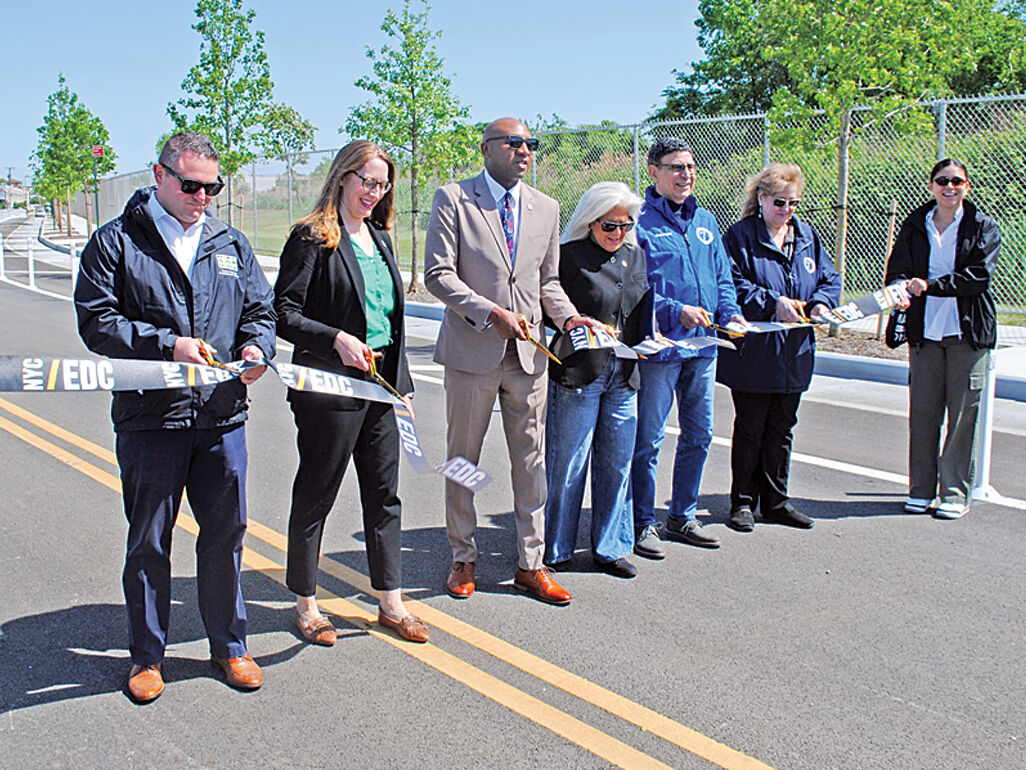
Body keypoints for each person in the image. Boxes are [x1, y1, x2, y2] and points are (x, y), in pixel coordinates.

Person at [74, 131, 275, 702]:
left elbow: (260, 311)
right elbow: (96, 322)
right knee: (150, 543)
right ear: (158, 175)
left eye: (213, 186)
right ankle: (146, 657)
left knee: (225, 537)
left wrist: (259, 350)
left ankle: (230, 647)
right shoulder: (116, 242)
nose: (202, 196)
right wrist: (168, 346)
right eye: (191, 185)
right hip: (150, 421)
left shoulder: (229, 243)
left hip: (221, 418)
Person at [424, 117, 604, 605]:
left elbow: (547, 284)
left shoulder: (545, 208)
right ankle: (463, 556)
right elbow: (438, 275)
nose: (526, 150)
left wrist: (569, 320)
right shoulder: (453, 199)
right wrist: (490, 312)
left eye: (531, 144)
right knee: (464, 461)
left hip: (529, 357)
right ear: (487, 149)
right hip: (471, 351)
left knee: (531, 462)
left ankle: (531, 562)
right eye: (515, 142)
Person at [274, 140, 429, 644]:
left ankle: (390, 601)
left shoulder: (381, 238)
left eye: (382, 184)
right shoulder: (312, 238)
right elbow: (285, 314)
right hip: (329, 388)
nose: (374, 192)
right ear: (342, 177)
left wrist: (401, 387)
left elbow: (392, 322)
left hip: (381, 387)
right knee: (317, 491)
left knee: (384, 495)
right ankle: (306, 603)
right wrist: (334, 339)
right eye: (366, 180)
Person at [630, 137, 746, 557]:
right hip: (661, 350)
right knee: (649, 440)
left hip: (704, 349)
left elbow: (723, 278)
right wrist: (675, 310)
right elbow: (633, 290)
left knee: (699, 435)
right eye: (675, 167)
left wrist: (730, 314)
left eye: (690, 166)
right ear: (654, 172)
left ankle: (682, 515)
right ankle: (642, 521)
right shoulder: (638, 223)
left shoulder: (707, 222)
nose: (685, 174)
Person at [716, 163, 841, 532]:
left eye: (792, 203)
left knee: (783, 428)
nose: (786, 211)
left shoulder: (806, 237)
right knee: (751, 427)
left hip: (795, 352)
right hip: (755, 354)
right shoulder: (740, 237)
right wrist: (773, 303)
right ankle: (742, 502)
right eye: (779, 203)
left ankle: (776, 500)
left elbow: (828, 278)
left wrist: (819, 302)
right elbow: (731, 284)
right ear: (761, 198)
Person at [543, 182, 650, 579]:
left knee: (617, 463)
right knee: (568, 464)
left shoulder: (635, 257)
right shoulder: (568, 258)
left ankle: (610, 547)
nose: (618, 234)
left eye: (625, 226)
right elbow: (549, 310)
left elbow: (640, 313)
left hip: (623, 373)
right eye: (610, 226)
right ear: (591, 222)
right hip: (579, 374)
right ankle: (554, 547)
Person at [885, 159, 1000, 520]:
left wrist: (931, 286)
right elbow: (898, 267)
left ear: (967, 186)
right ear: (931, 185)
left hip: (967, 333)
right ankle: (920, 490)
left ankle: (954, 492)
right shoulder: (915, 224)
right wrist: (902, 287)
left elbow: (979, 276)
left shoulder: (982, 225)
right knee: (923, 413)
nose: (950, 187)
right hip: (925, 333)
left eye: (957, 181)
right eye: (942, 181)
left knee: (963, 415)